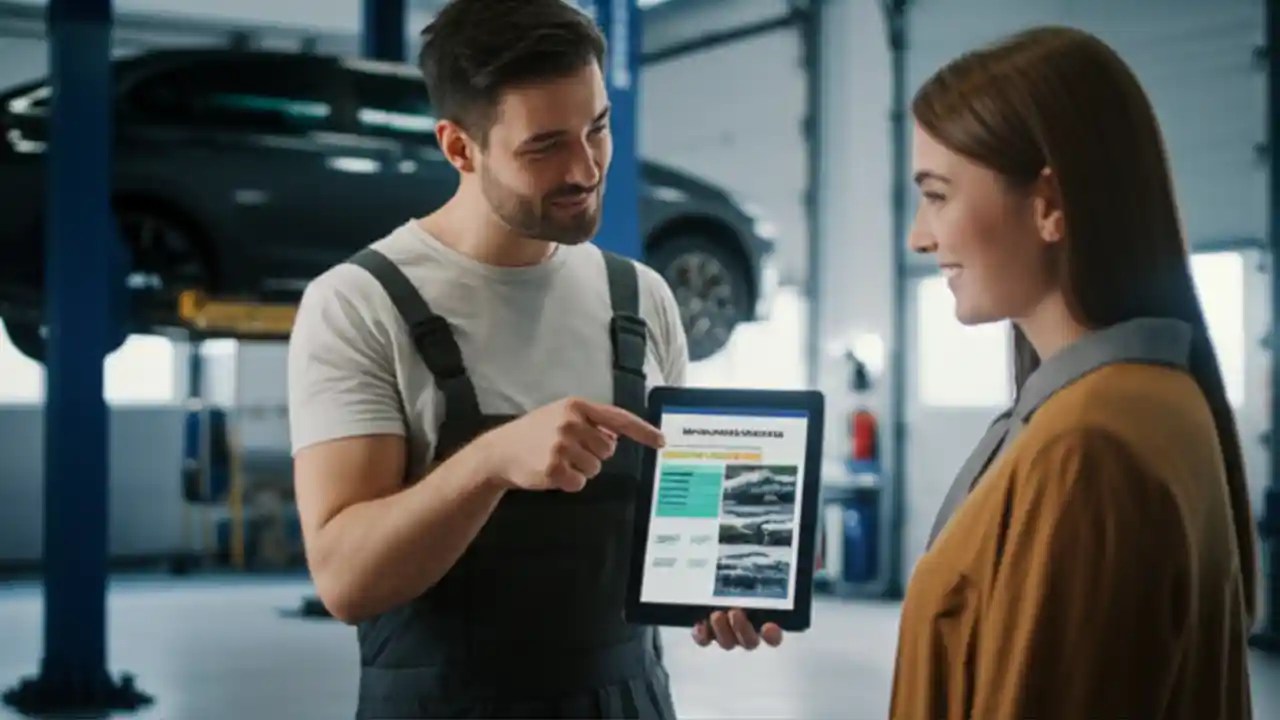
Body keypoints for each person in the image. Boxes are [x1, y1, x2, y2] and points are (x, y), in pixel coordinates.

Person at [287, 1, 776, 717]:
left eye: (598, 128)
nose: (585, 167)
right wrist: (489, 464)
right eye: (544, 145)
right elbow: (346, 581)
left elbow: (680, 521)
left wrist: (738, 567)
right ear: (460, 148)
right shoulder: (360, 304)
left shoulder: (639, 298)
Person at [890, 25, 1257, 720]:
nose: (919, 235)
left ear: (1049, 203)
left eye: (937, 195)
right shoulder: (1154, 398)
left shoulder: (1087, 446)